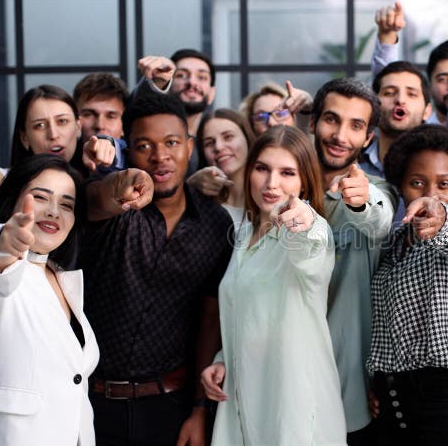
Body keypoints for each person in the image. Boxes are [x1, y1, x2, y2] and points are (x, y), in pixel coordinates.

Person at [81, 89, 233, 446]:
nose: (160, 156)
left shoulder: (215, 223)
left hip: (171, 406)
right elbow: (95, 200)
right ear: (126, 149)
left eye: (172, 143)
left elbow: (210, 321)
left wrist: (198, 409)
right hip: (90, 403)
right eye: (144, 146)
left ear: (189, 146)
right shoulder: (115, 208)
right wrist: (120, 188)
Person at [200, 125, 347, 446]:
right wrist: (223, 360)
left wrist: (306, 221)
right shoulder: (242, 235)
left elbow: (312, 245)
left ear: (304, 181)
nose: (271, 183)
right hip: (242, 404)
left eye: (287, 173)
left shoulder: (308, 232)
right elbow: (249, 313)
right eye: (262, 168)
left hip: (295, 409)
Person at [366, 124, 448, 445]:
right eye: (417, 183)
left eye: (444, 184)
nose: (430, 194)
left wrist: (439, 214)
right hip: (391, 403)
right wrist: (377, 382)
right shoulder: (391, 243)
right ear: (400, 186)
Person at [0, 154, 99, 446]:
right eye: (40, 198)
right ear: (10, 202)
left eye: (67, 204)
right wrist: (3, 250)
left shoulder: (62, 278)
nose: (54, 212)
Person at [308, 78, 395, 442]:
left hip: (345, 394)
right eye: (331, 119)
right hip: (279, 380)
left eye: (355, 126)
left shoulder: (375, 189)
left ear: (368, 138)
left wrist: (359, 201)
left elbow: (379, 218)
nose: (340, 135)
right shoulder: (279, 188)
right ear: (312, 122)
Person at [0, 85, 116, 237]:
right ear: (24, 138)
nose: (53, 134)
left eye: (62, 121)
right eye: (40, 125)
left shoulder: (88, 180)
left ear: (78, 127)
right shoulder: (0, 181)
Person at [371, 1, 448, 127]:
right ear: (429, 85)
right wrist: (387, 34)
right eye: (442, 79)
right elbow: (386, 79)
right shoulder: (412, 127)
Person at [362, 61, 433, 178]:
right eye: (389, 93)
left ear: (427, 111)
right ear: (373, 107)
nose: (400, 99)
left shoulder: (438, 168)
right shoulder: (353, 166)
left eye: (411, 94)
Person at [188, 108, 251, 226]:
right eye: (209, 143)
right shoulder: (197, 204)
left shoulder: (270, 195)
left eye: (228, 137)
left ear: (247, 138)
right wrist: (189, 187)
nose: (218, 147)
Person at [73, 72, 130, 173]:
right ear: (75, 119)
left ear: (125, 124)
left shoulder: (139, 159)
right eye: (88, 114)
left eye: (111, 116)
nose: (100, 125)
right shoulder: (63, 161)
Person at [239, 81, 313, 141]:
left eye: (280, 113)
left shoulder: (311, 155)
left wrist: (307, 109)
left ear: (294, 118)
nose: (271, 122)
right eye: (261, 117)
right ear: (252, 127)